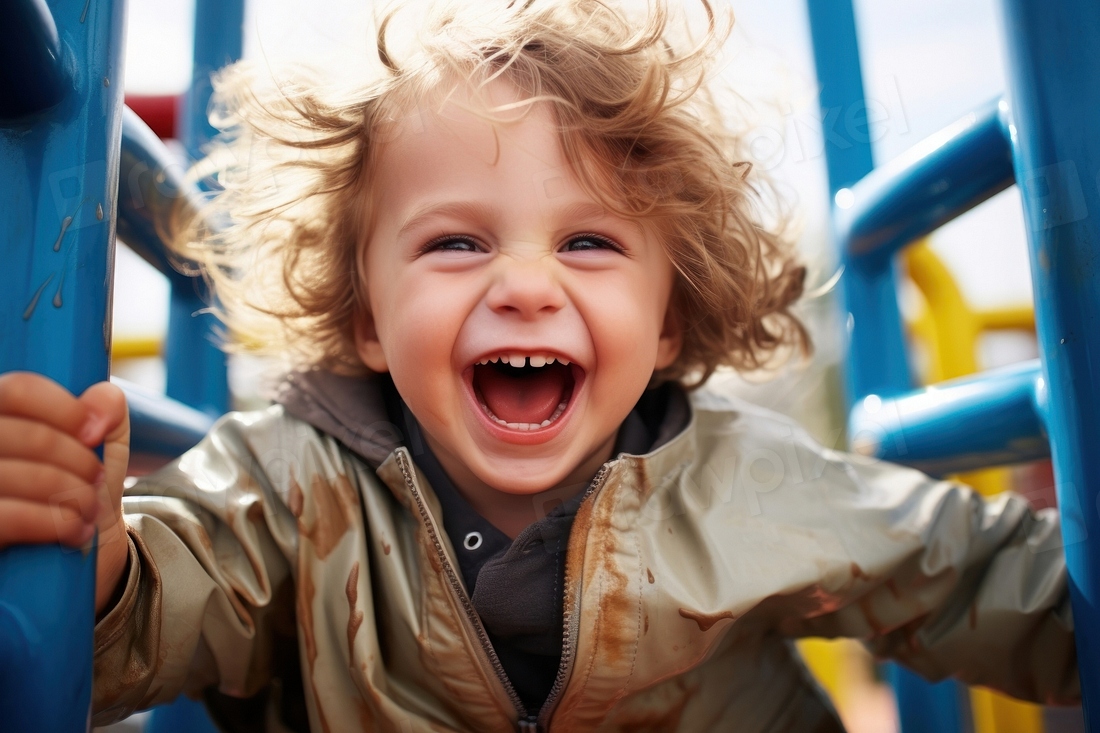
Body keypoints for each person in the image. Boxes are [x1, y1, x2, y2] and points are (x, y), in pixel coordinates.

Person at [0, 1, 1077, 730]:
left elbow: (976, 579)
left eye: (589, 243)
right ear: (367, 318)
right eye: (456, 242)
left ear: (665, 322)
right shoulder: (286, 484)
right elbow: (136, 631)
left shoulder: (745, 478)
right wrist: (95, 563)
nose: (523, 285)